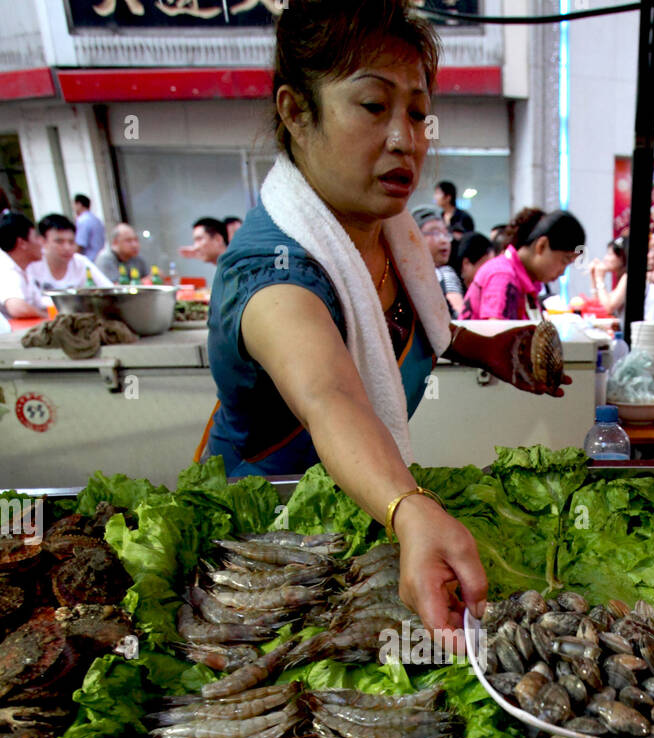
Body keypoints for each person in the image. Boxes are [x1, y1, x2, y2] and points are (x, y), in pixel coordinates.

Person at [200, 0, 567, 637]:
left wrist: (473, 344)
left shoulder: (386, 230)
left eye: (420, 113)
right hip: (265, 553)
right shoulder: (271, 274)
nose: (407, 138)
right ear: (295, 111)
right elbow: (330, 394)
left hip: (358, 527)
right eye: (373, 106)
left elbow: (400, 326)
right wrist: (409, 509)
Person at [461, 207, 583, 320]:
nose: (562, 272)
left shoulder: (523, 279)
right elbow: (497, 340)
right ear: (542, 246)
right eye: (565, 261)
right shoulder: (502, 276)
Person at [27, 214, 112, 302]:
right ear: (43, 241)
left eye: (71, 242)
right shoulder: (31, 265)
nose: (67, 248)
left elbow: (109, 290)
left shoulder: (81, 263)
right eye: (59, 242)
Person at [0, 211, 47, 319]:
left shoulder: (25, 268)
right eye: (36, 237)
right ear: (22, 243)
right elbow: (17, 308)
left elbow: (39, 303)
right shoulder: (6, 268)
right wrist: (47, 318)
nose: (41, 243)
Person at [416, 212, 464, 316]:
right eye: (435, 233)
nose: (444, 241)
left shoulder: (445, 274)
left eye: (446, 234)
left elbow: (458, 318)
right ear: (414, 236)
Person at [588, 235, 628, 316]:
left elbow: (608, 308)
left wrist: (599, 278)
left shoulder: (627, 277)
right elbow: (599, 305)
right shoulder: (621, 278)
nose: (605, 258)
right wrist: (594, 278)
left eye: (610, 254)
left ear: (622, 257)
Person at [73, 194, 105, 261]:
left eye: (74, 205)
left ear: (79, 204)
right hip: (100, 258)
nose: (73, 208)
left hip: (89, 260)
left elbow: (80, 244)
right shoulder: (96, 220)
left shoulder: (82, 220)